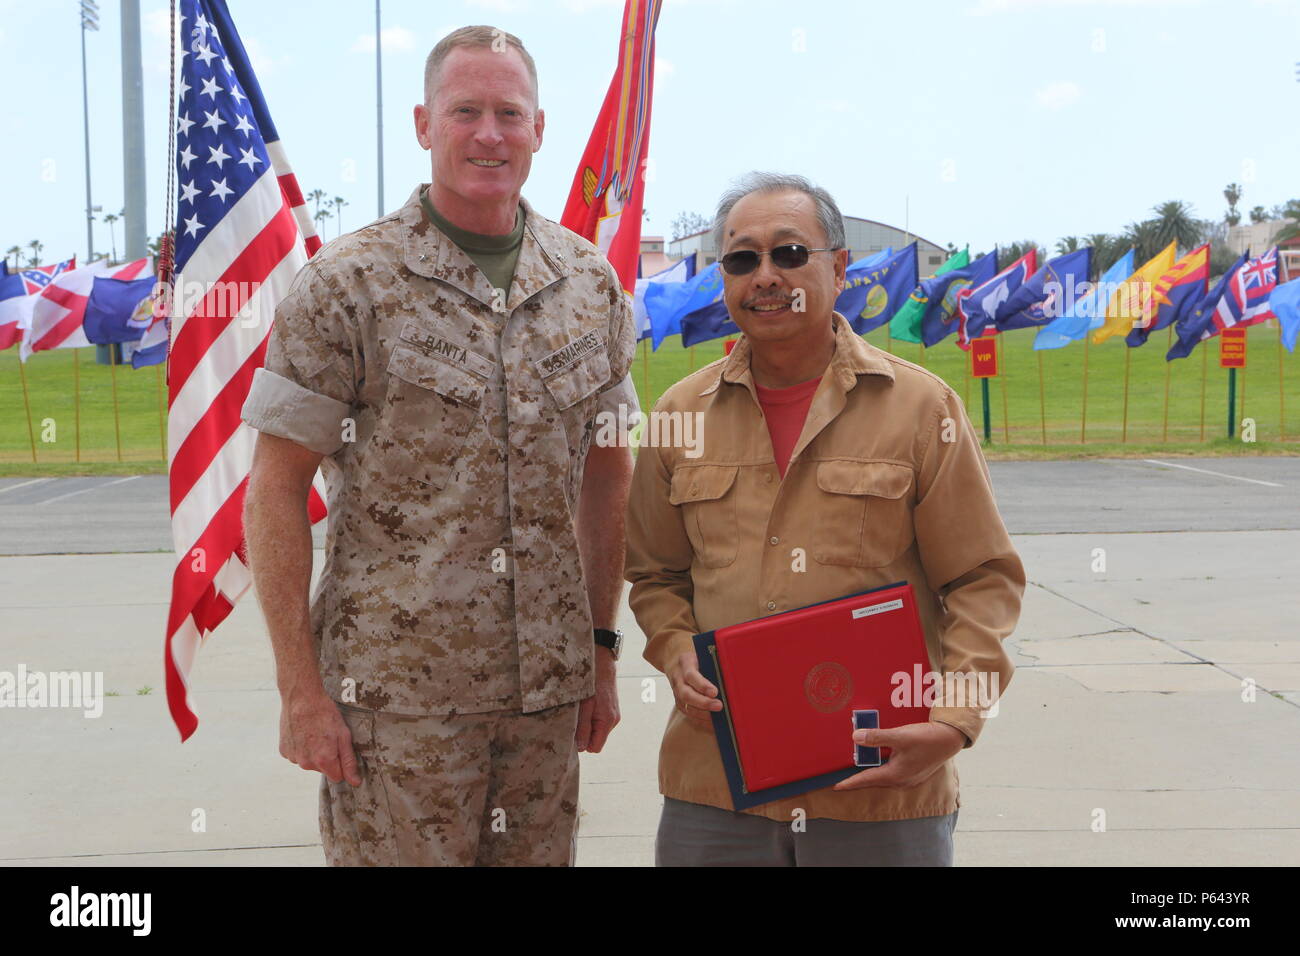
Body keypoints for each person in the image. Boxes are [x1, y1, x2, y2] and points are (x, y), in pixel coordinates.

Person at [240, 25, 637, 867]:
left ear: (539, 128)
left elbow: (608, 474)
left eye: (509, 113)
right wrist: (300, 690)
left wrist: (601, 652)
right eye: (466, 112)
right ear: (425, 124)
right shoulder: (349, 284)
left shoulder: (588, 285)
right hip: (395, 708)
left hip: (545, 700)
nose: (488, 134)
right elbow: (275, 489)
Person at [624, 172, 1025, 867]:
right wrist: (674, 646)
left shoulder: (922, 410)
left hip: (880, 787)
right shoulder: (679, 415)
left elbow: (983, 583)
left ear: (839, 268)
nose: (766, 276)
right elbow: (655, 574)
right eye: (742, 259)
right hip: (717, 789)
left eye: (789, 253)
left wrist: (954, 723)